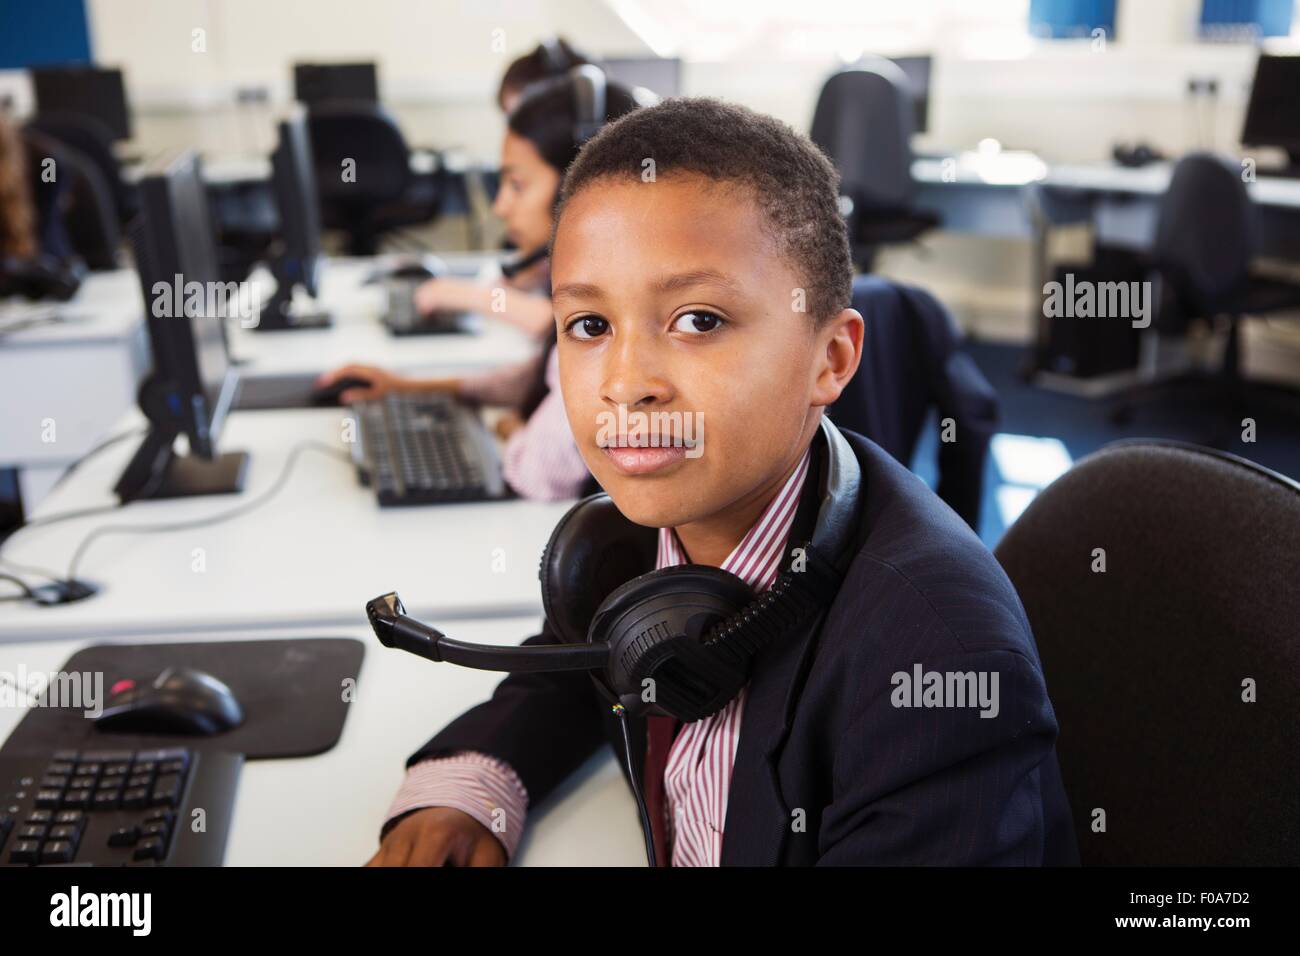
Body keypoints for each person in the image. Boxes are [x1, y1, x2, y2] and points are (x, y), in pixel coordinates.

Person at [367, 98, 1078, 867]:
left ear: (830, 359)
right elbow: (572, 672)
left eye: (699, 320)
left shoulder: (934, 664)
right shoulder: (643, 534)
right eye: (590, 326)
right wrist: (472, 783)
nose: (626, 383)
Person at [316, 71, 640, 500]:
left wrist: (515, 428)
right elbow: (534, 379)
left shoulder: (609, 326)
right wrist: (412, 389)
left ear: (579, 193)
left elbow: (538, 474)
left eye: (518, 185)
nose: (500, 205)